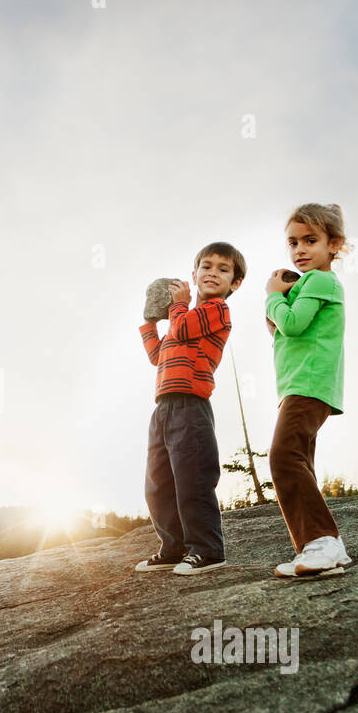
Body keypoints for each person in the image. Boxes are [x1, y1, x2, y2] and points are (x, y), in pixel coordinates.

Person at [135, 242, 245, 575]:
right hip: (164, 408)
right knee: (159, 483)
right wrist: (148, 324)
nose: (213, 273)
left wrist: (177, 306)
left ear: (234, 284)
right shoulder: (182, 316)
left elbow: (182, 328)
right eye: (206, 266)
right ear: (193, 273)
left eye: (223, 270)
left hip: (191, 406)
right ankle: (174, 547)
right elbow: (158, 355)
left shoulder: (216, 312)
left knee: (192, 481)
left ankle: (208, 549)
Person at [264, 203, 351, 577]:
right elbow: (279, 330)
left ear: (334, 245)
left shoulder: (320, 281)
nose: (299, 250)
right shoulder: (308, 285)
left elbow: (293, 327)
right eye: (293, 242)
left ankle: (321, 542)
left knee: (283, 457)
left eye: (310, 241)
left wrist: (272, 295)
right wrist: (282, 300)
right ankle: (327, 549)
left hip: (308, 383)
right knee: (300, 462)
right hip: (303, 385)